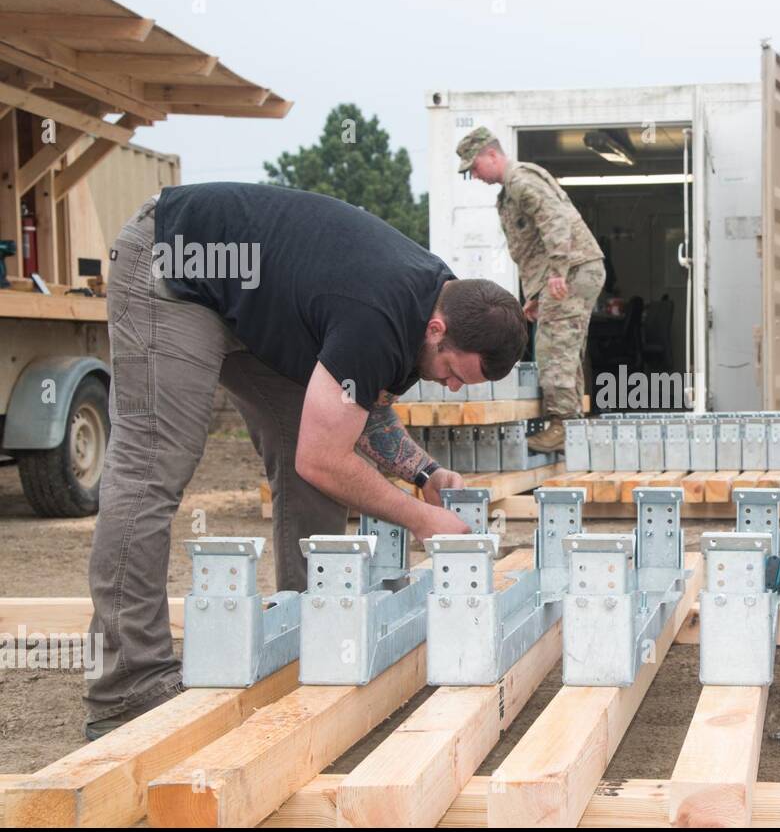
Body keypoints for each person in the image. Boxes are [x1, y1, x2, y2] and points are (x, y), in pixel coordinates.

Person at [85, 182, 528, 739]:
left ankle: (309, 633)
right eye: (454, 373)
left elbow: (361, 414)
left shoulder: (431, 306)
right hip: (175, 265)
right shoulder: (379, 314)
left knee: (319, 467)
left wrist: (426, 475)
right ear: (437, 330)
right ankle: (127, 684)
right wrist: (423, 520)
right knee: (154, 468)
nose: (453, 388)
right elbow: (322, 459)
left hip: (243, 297)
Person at [456, 127, 604, 451]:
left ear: (492, 154)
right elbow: (531, 247)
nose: (475, 176)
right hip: (572, 270)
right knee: (563, 343)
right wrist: (537, 295)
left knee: (554, 345)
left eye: (475, 167)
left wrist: (558, 271)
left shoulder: (521, 182)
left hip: (574, 269)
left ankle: (563, 425)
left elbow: (555, 221)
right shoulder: (509, 191)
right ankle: (570, 426)